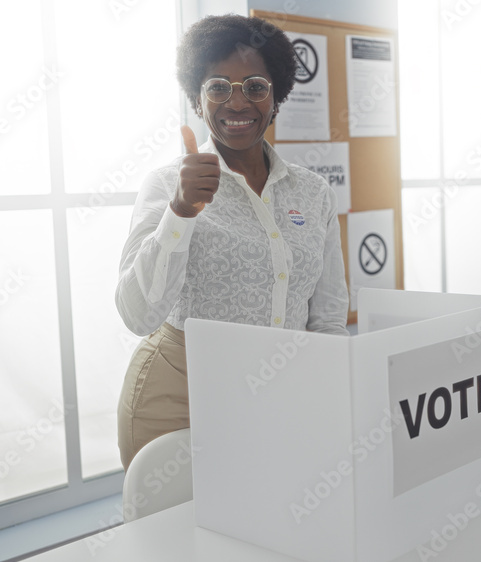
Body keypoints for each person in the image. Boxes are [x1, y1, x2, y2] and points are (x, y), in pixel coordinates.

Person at [115, 14, 348, 470]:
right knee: (178, 539)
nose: (237, 101)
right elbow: (137, 313)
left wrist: (327, 391)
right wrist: (180, 211)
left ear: (275, 98)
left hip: (282, 392)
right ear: (198, 102)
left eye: (255, 86)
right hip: (179, 398)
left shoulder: (312, 192)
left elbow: (328, 315)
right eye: (218, 86)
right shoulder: (166, 185)